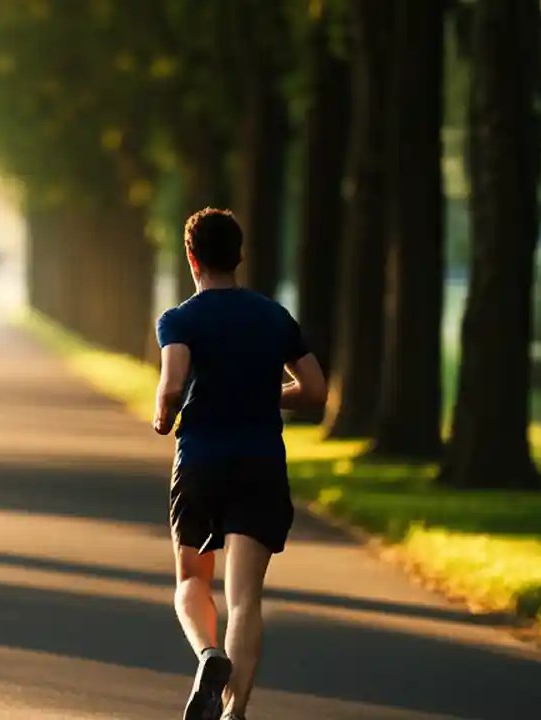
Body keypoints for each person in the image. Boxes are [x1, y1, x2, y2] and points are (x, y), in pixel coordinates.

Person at [153, 208, 326, 720]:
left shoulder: (179, 319)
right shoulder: (273, 316)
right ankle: (234, 714)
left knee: (191, 580)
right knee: (245, 599)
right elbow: (315, 390)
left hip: (202, 461)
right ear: (240, 256)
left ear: (192, 258)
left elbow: (172, 387)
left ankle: (208, 655)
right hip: (261, 464)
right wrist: (262, 395)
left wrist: (164, 417)